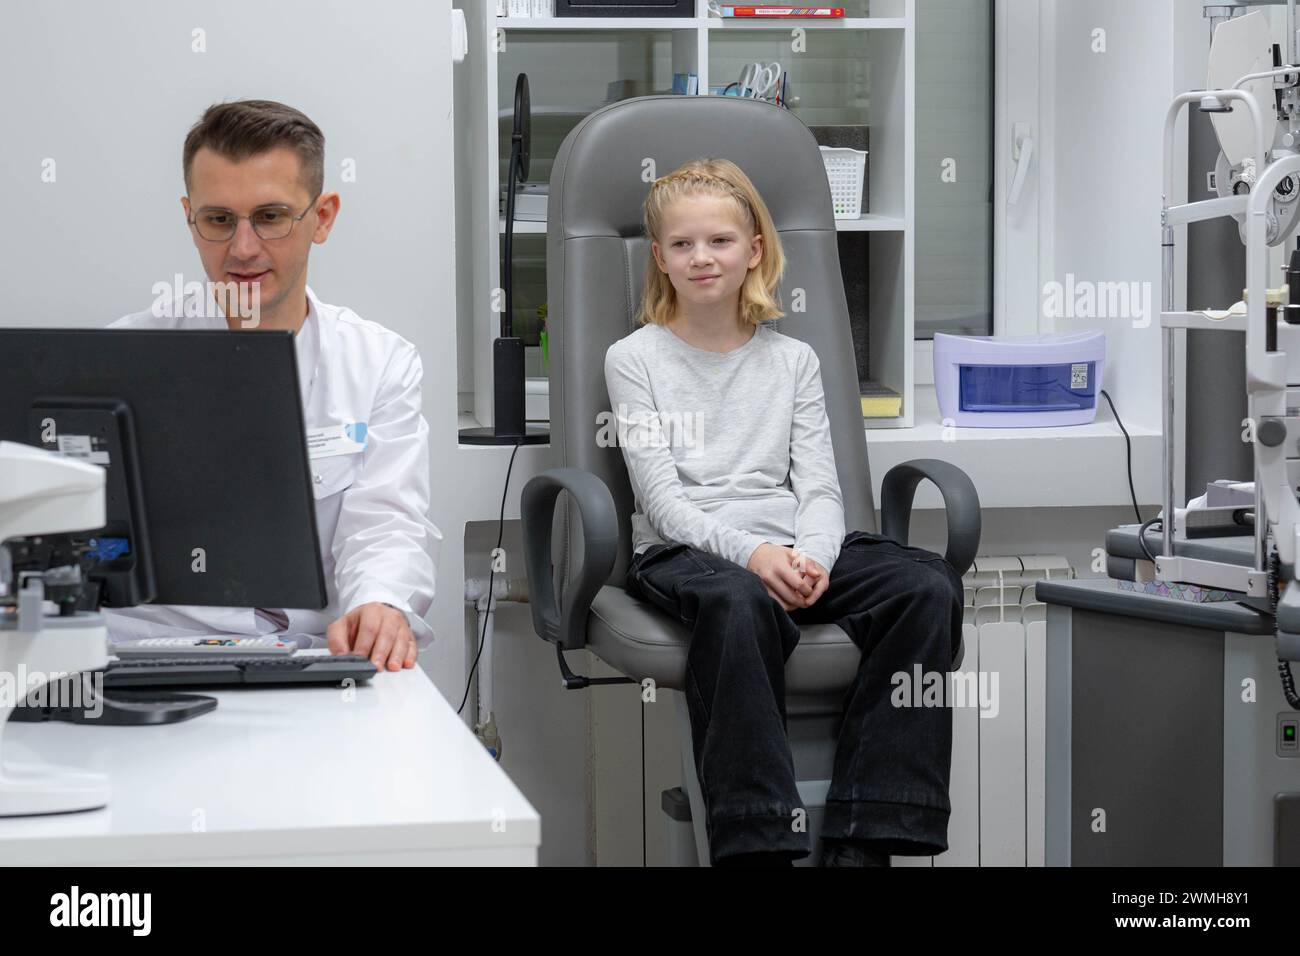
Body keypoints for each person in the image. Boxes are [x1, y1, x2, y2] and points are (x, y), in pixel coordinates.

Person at [603, 157, 964, 866]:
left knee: (926, 585)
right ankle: (758, 843)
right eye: (682, 245)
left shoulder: (793, 359)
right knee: (740, 602)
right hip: (689, 553)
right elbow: (663, 504)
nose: (702, 258)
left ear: (754, 251)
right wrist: (756, 557)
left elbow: (821, 491)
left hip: (793, 546)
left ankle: (866, 839)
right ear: (659, 259)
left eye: (720, 242)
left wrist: (813, 561)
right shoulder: (633, 359)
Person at [104, 99, 440, 672]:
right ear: (190, 219)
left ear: (323, 217)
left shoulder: (379, 363)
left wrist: (380, 602)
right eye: (218, 220)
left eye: (270, 216)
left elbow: (386, 520)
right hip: (148, 656)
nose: (242, 249)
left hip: (313, 657)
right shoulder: (121, 360)